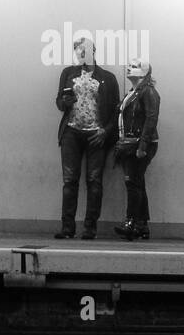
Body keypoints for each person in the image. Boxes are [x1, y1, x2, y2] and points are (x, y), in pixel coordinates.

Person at [54, 36, 119, 240]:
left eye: (84, 50)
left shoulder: (108, 78)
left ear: (93, 51)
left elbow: (116, 110)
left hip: (96, 134)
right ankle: (67, 228)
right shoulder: (67, 73)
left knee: (94, 181)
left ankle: (90, 228)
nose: (81, 53)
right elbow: (58, 103)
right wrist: (65, 101)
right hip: (71, 132)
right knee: (69, 180)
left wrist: (106, 131)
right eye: (77, 50)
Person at [113, 59, 160, 241]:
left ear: (144, 72)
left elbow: (151, 118)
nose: (129, 68)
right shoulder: (134, 92)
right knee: (136, 183)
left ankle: (131, 221)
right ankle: (141, 225)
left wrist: (142, 146)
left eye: (134, 66)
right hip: (131, 142)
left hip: (139, 143)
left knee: (133, 183)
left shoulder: (148, 92)